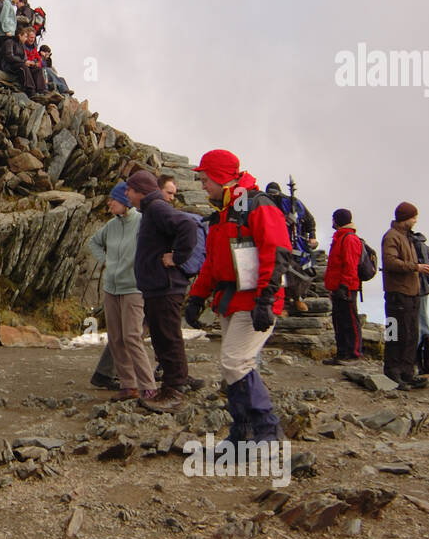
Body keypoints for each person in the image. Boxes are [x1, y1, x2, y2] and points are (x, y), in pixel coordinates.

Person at [185, 149, 291, 442]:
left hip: (254, 299)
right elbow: (212, 261)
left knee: (235, 363)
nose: (203, 185)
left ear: (221, 178)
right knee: (233, 365)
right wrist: (197, 296)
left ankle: (267, 431)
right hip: (230, 300)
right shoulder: (224, 212)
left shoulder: (257, 206)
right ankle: (242, 433)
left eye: (206, 179)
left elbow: (277, 252)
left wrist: (266, 300)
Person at [128, 170, 199, 407]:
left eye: (129, 190)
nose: (127, 194)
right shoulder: (152, 210)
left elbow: (187, 226)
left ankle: (174, 390)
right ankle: (174, 383)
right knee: (163, 336)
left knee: (167, 337)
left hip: (165, 285)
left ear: (139, 191)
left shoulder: (157, 208)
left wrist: (177, 257)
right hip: (158, 285)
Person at [89, 182, 155, 401]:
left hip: (133, 289)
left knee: (132, 337)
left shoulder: (141, 222)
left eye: (113, 200)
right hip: (111, 290)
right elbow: (94, 243)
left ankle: (148, 386)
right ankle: (128, 386)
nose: (109, 204)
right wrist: (106, 261)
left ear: (125, 201)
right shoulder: (111, 225)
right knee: (116, 338)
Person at [381, 202, 429, 388]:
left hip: (412, 293)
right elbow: (389, 262)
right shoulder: (391, 237)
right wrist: (416, 267)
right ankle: (392, 371)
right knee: (396, 332)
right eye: (413, 217)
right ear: (405, 218)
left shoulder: (406, 237)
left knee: (411, 333)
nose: (415, 220)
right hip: (397, 294)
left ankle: (407, 372)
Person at [264, 181, 317, 313]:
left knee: (301, 269)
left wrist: (312, 236)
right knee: (279, 270)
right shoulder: (263, 203)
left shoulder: (293, 203)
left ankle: (298, 298)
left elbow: (309, 220)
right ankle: (281, 303)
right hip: (273, 243)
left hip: (294, 243)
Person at [323, 208, 364, 364]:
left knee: (350, 321)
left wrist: (344, 286)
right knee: (339, 321)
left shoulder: (349, 239)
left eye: (333, 219)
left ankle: (353, 353)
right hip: (338, 287)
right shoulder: (341, 237)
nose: (332, 222)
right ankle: (342, 353)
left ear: (337, 220)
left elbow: (350, 265)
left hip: (346, 287)